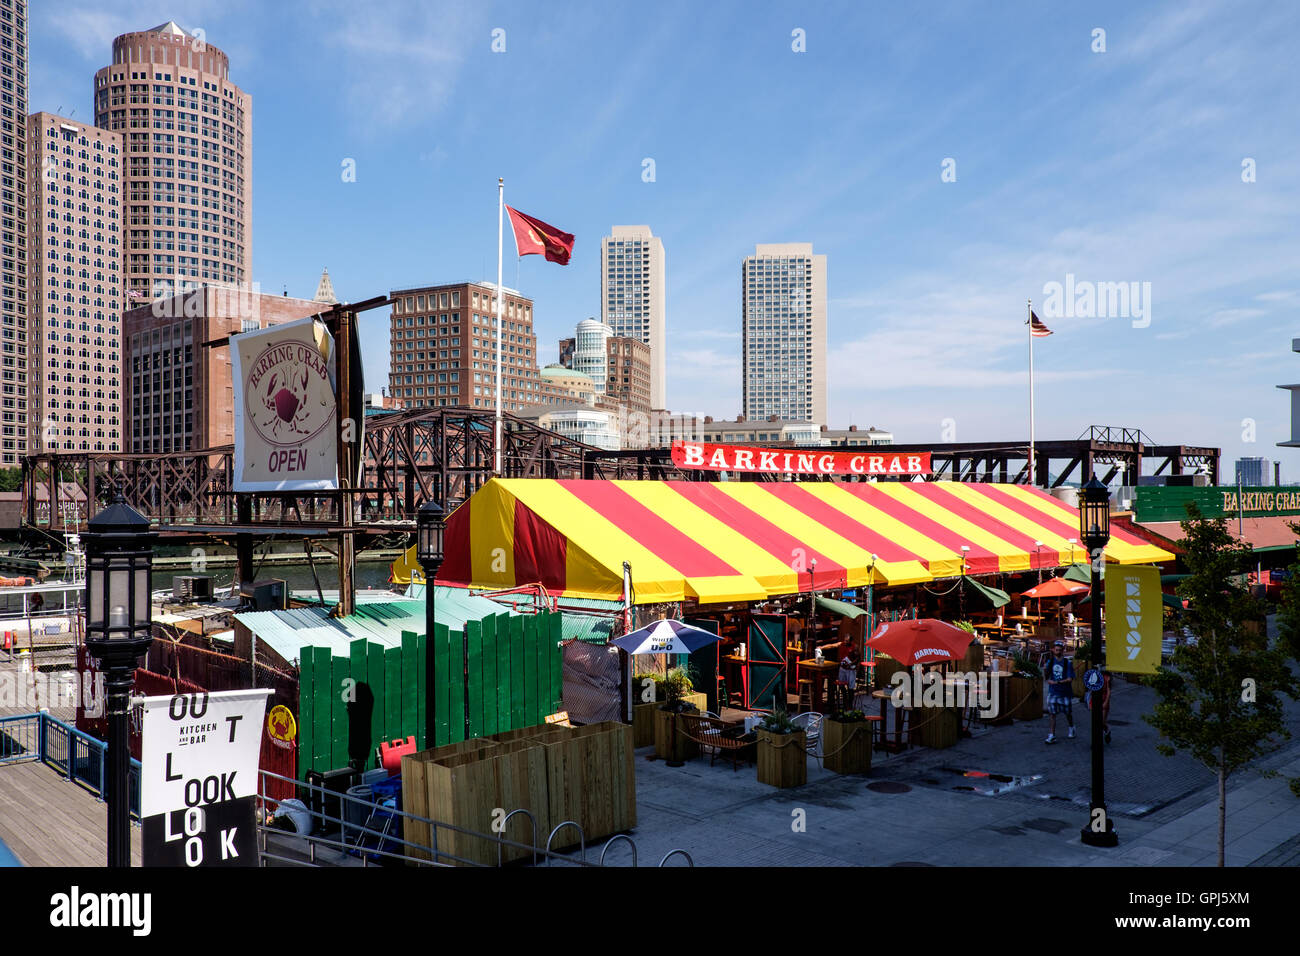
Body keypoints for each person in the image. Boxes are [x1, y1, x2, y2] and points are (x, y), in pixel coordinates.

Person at [1044, 641, 1074, 744]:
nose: (1058, 652)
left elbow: (1070, 679)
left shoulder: (1067, 663)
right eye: (1056, 650)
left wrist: (1057, 682)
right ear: (1053, 650)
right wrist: (1046, 674)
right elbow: (1047, 676)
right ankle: (1052, 734)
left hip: (1065, 692)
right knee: (1052, 714)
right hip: (1053, 692)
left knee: (1067, 713)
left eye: (1060, 650)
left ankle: (1071, 727)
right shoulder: (1050, 662)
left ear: (1063, 651)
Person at [1087, 669, 1113, 743]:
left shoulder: (1107, 676)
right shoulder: (1094, 674)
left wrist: (1106, 702)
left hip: (1103, 699)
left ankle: (1107, 731)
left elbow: (1108, 691)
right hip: (1095, 700)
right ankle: (1096, 741)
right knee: (1096, 722)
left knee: (1101, 722)